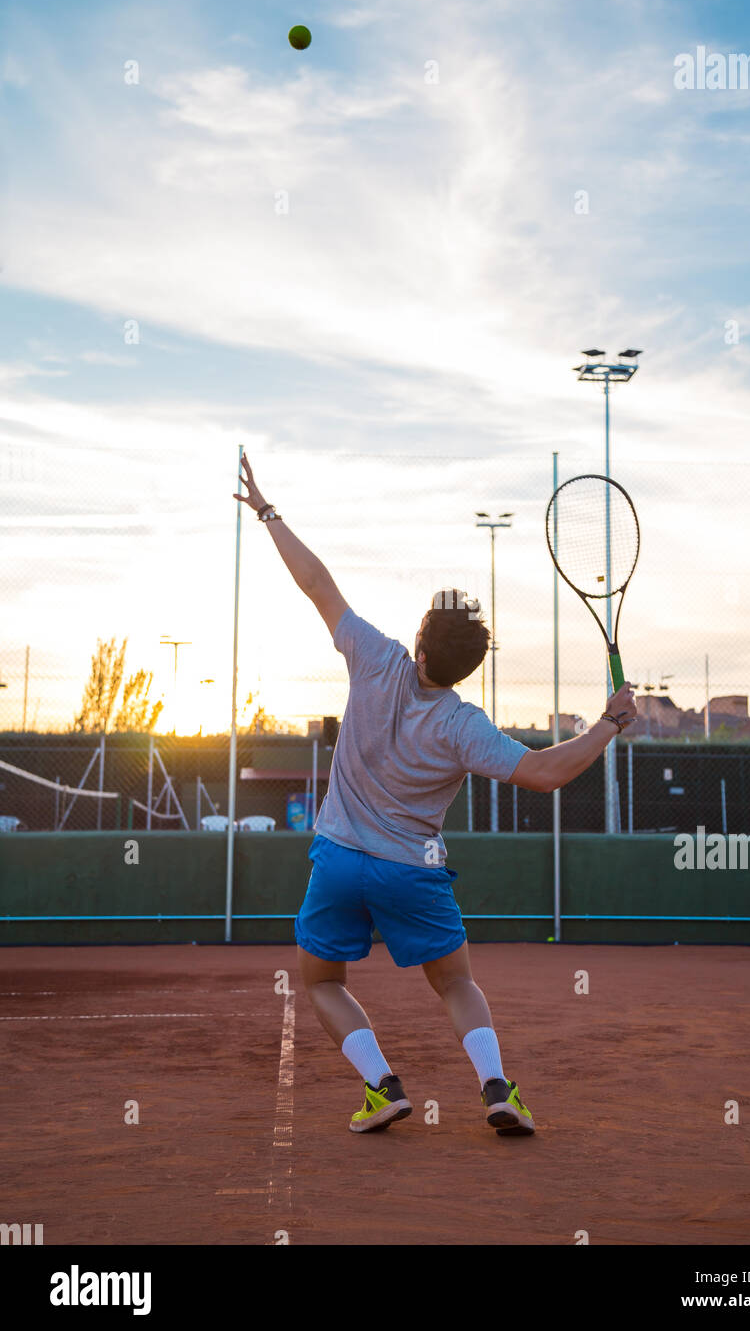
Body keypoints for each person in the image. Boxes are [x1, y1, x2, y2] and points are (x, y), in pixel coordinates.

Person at [235, 454, 636, 1136]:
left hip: (337, 861)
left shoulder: (372, 654)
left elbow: (316, 582)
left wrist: (268, 513)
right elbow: (545, 774)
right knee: (455, 983)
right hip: (411, 873)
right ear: (467, 668)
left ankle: (382, 1087)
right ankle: (496, 1090)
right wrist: (607, 724)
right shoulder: (462, 724)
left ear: (418, 643)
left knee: (323, 982)